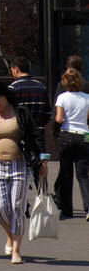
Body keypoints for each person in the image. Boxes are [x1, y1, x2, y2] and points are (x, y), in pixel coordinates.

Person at [0, 78, 47, 265]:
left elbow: (34, 136)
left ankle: (16, 250)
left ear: (4, 96)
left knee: (17, 207)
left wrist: (43, 160)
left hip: (19, 165)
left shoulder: (20, 113)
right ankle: (10, 234)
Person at [53, 68, 89, 219]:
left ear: (65, 82)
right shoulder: (87, 97)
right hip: (84, 135)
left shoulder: (62, 97)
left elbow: (59, 119)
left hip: (67, 135)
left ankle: (67, 209)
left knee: (67, 173)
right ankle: (88, 207)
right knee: (83, 174)